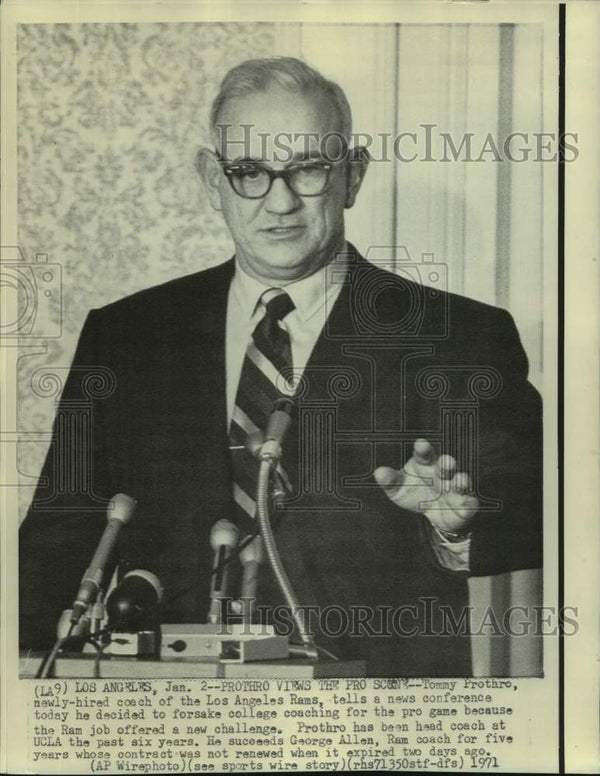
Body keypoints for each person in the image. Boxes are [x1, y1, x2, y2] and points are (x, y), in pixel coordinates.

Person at [19, 57, 542, 676]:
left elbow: (539, 519)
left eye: (309, 168)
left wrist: (453, 530)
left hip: (375, 705)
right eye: (248, 172)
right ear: (211, 179)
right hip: (169, 702)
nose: (281, 201)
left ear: (352, 175)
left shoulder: (462, 337)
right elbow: (55, 543)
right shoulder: (127, 335)